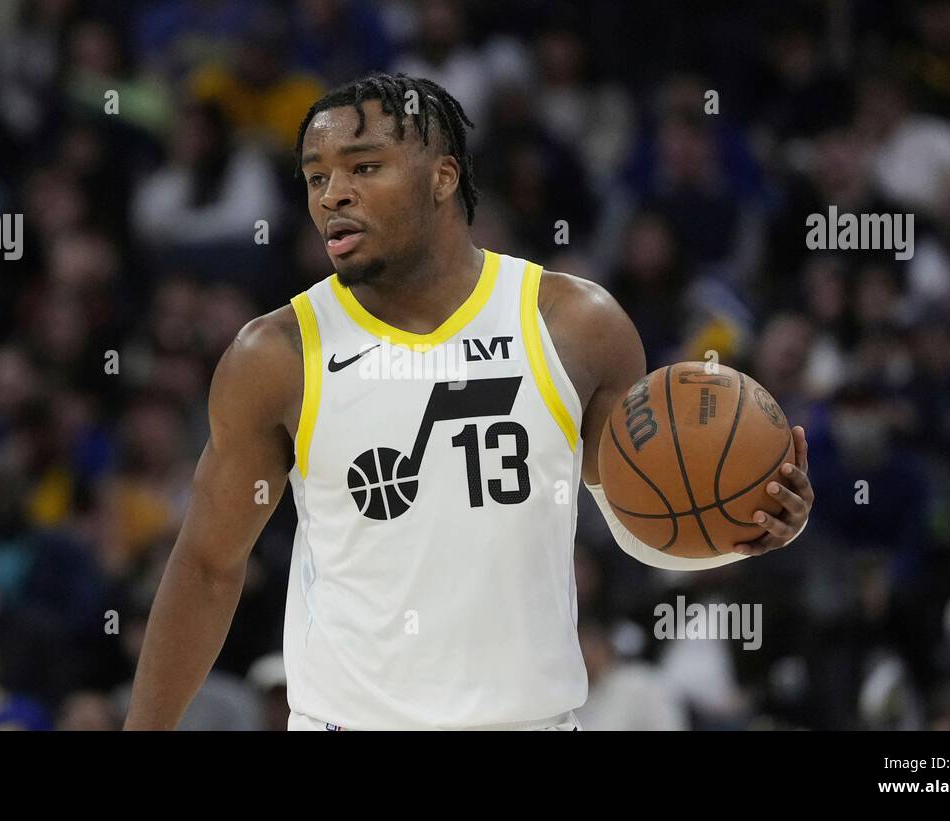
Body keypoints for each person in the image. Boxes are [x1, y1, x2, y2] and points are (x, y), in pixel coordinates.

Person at [126, 73, 814, 731]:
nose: (333, 193)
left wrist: (746, 524)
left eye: (363, 167)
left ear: (442, 178)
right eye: (316, 176)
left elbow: (641, 516)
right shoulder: (274, 355)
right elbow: (209, 565)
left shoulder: (574, 324)